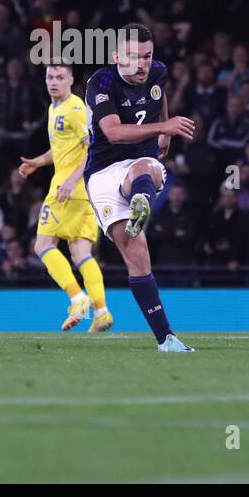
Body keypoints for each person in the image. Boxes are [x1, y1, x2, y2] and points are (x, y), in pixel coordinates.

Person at [82, 23, 197, 352]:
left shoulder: (158, 72)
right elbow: (114, 133)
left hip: (140, 164)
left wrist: (164, 132)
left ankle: (168, 340)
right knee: (137, 256)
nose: (143, 64)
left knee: (146, 168)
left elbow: (159, 100)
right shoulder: (100, 83)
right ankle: (164, 337)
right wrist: (165, 126)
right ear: (117, 56)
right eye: (134, 57)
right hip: (102, 173)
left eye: (147, 56)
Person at [18, 64, 111, 332]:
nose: (54, 81)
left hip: (67, 188)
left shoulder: (75, 108)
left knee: (43, 245)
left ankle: (77, 298)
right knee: (81, 253)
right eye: (50, 76)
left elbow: (91, 146)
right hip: (85, 191)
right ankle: (102, 311)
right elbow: (61, 149)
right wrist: (37, 161)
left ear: (71, 80)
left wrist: (70, 180)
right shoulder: (54, 108)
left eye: (60, 77)